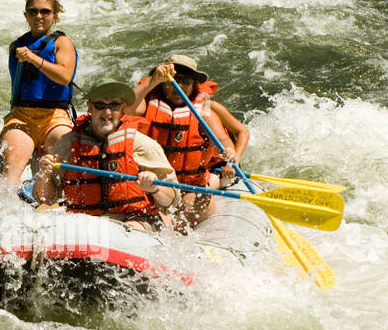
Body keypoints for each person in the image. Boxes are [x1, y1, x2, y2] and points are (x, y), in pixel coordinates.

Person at [33, 82, 179, 232]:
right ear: (89, 107)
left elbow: (172, 200)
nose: (107, 112)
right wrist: (44, 174)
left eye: (114, 105)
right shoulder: (67, 144)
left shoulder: (141, 144)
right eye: (100, 105)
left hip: (133, 221)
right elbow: (46, 199)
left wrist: (155, 188)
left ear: (122, 109)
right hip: (85, 222)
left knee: (130, 228)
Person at [129, 53, 249, 226]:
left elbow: (223, 142)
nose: (180, 86)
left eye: (186, 81)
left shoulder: (205, 111)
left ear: (194, 85)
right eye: (175, 79)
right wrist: (153, 81)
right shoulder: (148, 103)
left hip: (191, 183)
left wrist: (230, 160)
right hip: (155, 181)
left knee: (191, 208)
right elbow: (126, 110)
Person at [0, 0, 78, 190]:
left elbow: (64, 77)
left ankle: (56, 196)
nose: (39, 16)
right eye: (33, 11)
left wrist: (33, 58)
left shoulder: (62, 42)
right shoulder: (16, 46)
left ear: (55, 15)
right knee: (12, 169)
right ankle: (6, 208)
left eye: (45, 12)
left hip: (54, 116)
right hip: (22, 116)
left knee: (66, 150)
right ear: (26, 15)